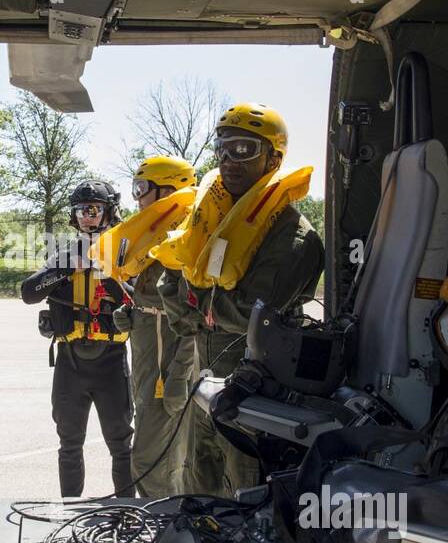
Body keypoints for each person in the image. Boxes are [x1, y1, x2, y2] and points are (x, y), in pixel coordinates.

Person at [157, 103, 324, 497]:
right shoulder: (206, 223)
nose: (230, 160)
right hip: (205, 389)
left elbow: (252, 315)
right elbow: (172, 293)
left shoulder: (293, 237)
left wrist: (199, 304)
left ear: (274, 159)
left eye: (245, 149)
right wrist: (205, 308)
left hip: (256, 400)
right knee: (194, 495)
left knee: (248, 501)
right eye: (223, 148)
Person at [21, 180, 134, 497]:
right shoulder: (65, 253)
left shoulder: (124, 252)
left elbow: (137, 301)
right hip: (70, 361)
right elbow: (28, 292)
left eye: (94, 209)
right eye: (80, 210)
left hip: (111, 360)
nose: (86, 216)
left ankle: (127, 515)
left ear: (109, 212)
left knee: (121, 444)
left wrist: (104, 269)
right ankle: (70, 511)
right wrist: (70, 266)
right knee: (69, 444)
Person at [110, 156, 198, 499]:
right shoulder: (154, 242)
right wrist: (134, 316)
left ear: (169, 191)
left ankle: (161, 531)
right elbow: (155, 303)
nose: (138, 198)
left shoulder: (185, 245)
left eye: (142, 189)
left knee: (151, 458)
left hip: (168, 372)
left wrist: (181, 374)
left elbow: (194, 318)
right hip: (149, 362)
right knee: (157, 453)